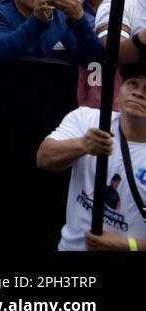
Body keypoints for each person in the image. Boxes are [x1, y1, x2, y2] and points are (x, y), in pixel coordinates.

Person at [37, 62, 146, 251]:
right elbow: (44, 158)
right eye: (132, 84)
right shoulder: (87, 119)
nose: (138, 93)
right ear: (119, 92)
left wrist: (129, 246)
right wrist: (82, 145)